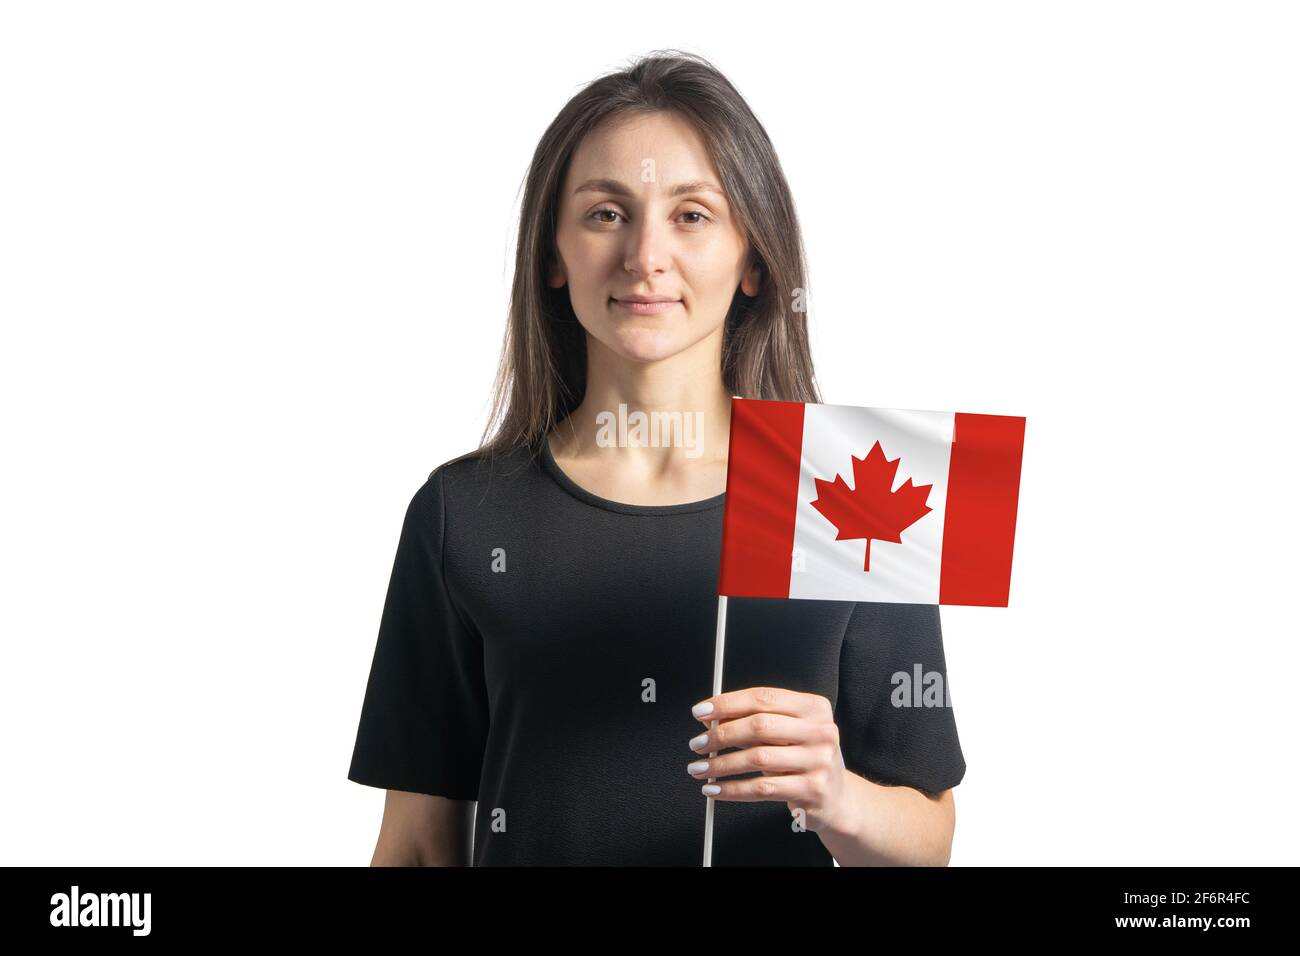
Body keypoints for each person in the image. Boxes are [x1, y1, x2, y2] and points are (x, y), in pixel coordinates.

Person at [347, 50, 966, 866]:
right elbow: (420, 847)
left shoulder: (854, 496)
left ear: (753, 259)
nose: (645, 257)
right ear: (552, 256)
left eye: (692, 215)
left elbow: (929, 840)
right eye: (606, 213)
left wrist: (838, 797)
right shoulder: (463, 514)